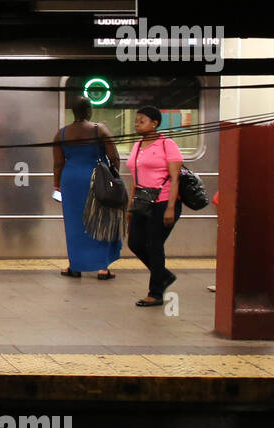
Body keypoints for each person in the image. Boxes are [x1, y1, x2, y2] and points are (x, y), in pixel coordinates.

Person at [52, 95, 122, 279]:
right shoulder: (99, 130)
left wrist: (57, 184)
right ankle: (102, 268)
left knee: (75, 223)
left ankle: (75, 266)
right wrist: (114, 177)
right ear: (89, 111)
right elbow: (114, 157)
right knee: (100, 219)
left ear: (72, 112)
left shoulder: (62, 134)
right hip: (95, 178)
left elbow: (58, 164)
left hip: (71, 180)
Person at [126, 105, 183, 306]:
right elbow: (135, 177)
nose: (137, 124)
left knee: (154, 244)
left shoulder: (168, 145)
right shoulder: (136, 145)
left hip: (163, 202)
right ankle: (164, 275)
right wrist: (130, 205)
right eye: (136, 120)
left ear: (154, 123)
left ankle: (156, 293)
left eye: (141, 120)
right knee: (134, 242)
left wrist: (170, 207)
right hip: (142, 202)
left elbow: (175, 178)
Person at [207, 191, 274, 292]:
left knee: (242, 240)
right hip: (265, 199)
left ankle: (231, 282)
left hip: (249, 200)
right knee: (267, 240)